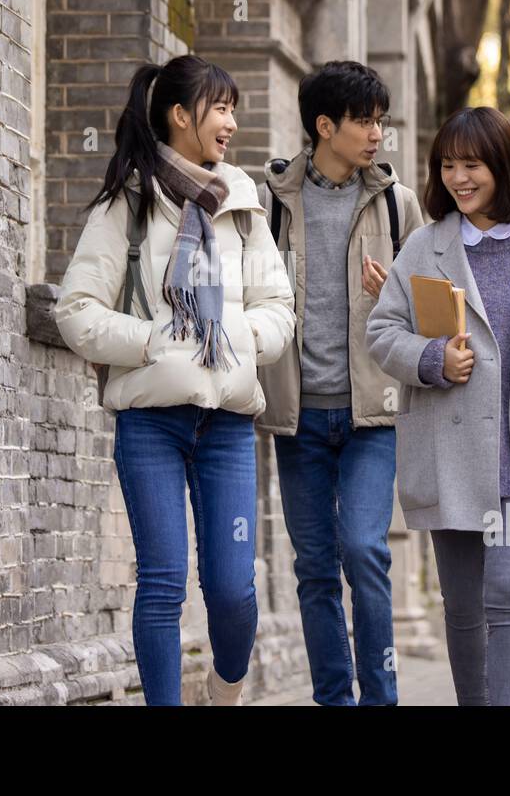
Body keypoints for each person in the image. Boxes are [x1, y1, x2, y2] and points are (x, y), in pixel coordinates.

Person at [55, 55, 295, 706]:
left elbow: (280, 307)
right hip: (151, 422)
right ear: (180, 114)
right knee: (162, 580)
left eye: (233, 107)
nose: (231, 122)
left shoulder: (243, 206)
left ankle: (225, 687)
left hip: (227, 425)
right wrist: (152, 339)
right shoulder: (127, 206)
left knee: (231, 586)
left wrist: (239, 337)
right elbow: (75, 311)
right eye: (220, 107)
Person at [365, 106, 510, 705]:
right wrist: (432, 359)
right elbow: (382, 331)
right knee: (464, 603)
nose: (458, 178)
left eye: (472, 164)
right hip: (452, 452)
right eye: (447, 165)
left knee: (508, 594)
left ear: (500, 164)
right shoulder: (426, 245)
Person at [255, 61, 424, 706]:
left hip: (371, 416)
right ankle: (335, 699)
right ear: (325, 127)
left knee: (363, 549)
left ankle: (380, 696)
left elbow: (436, 307)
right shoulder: (272, 199)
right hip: (299, 415)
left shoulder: (394, 202)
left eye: (380, 120)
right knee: (315, 568)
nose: (377, 133)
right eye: (364, 121)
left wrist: (399, 297)